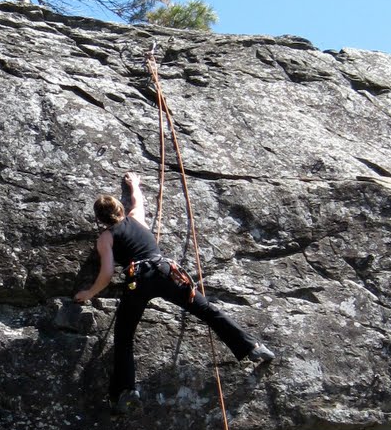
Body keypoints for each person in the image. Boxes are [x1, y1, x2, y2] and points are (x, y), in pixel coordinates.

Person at [74, 171, 273, 407]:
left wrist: (88, 294)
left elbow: (106, 274)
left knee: (124, 337)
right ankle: (252, 347)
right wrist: (134, 184)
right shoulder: (136, 218)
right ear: (120, 209)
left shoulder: (105, 238)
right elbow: (138, 201)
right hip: (167, 272)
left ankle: (125, 392)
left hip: (139, 279)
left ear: (99, 220)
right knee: (207, 311)